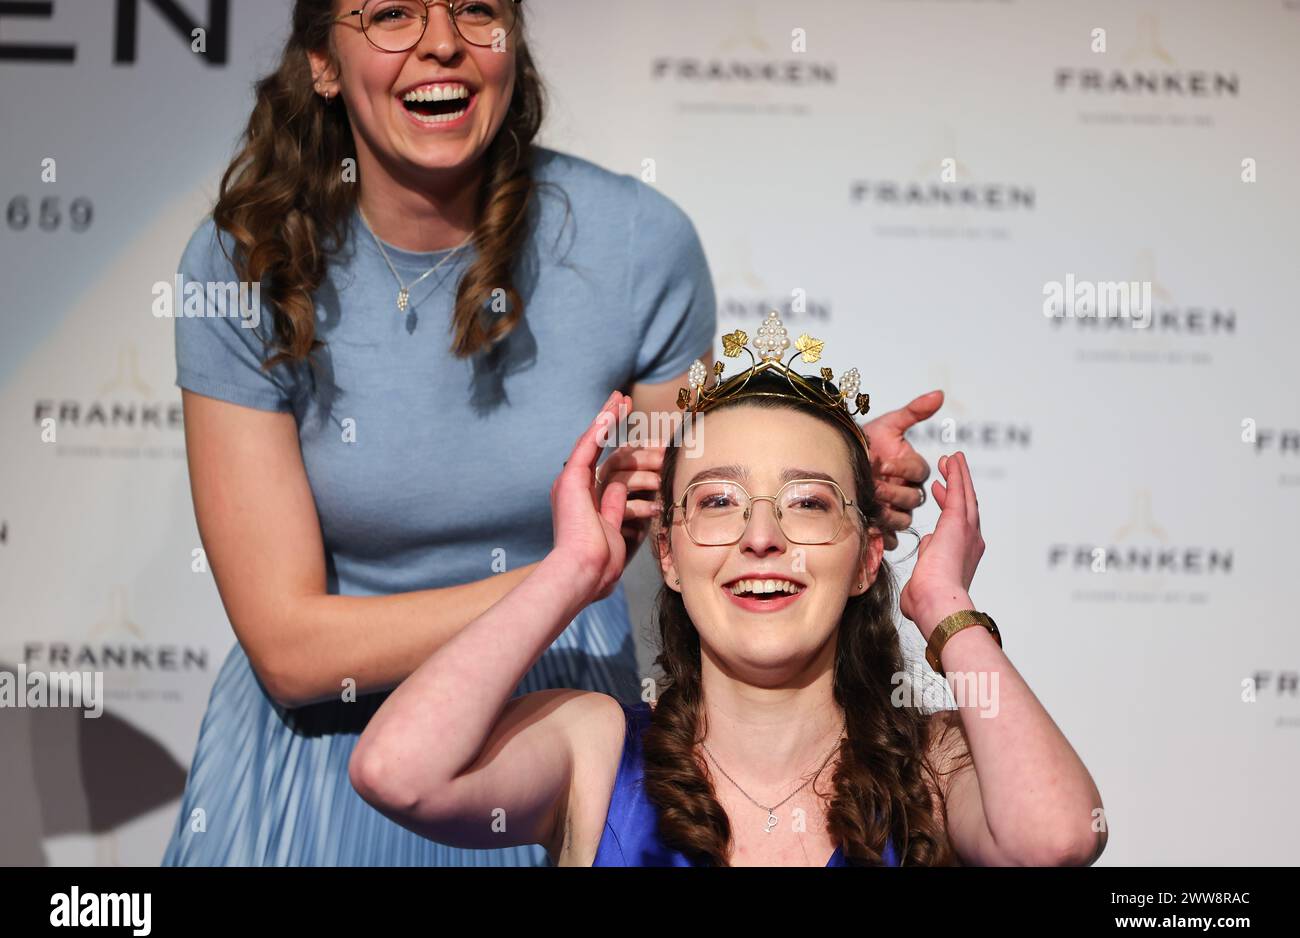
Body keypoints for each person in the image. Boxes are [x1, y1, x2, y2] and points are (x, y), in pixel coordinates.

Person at [163, 0, 938, 866]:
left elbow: (690, 478)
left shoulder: (638, 240)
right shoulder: (243, 262)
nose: (443, 42)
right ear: (323, 61)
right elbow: (292, 650)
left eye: (475, 11)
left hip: (553, 745)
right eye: (391, 14)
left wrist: (828, 477)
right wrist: (563, 579)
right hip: (321, 759)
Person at [351, 318, 1109, 866]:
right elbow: (398, 772)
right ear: (670, 556)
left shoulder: (931, 762)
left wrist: (945, 606)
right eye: (717, 501)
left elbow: (1058, 838)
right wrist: (570, 571)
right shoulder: (596, 747)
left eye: (808, 501)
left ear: (867, 558)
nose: (760, 536)